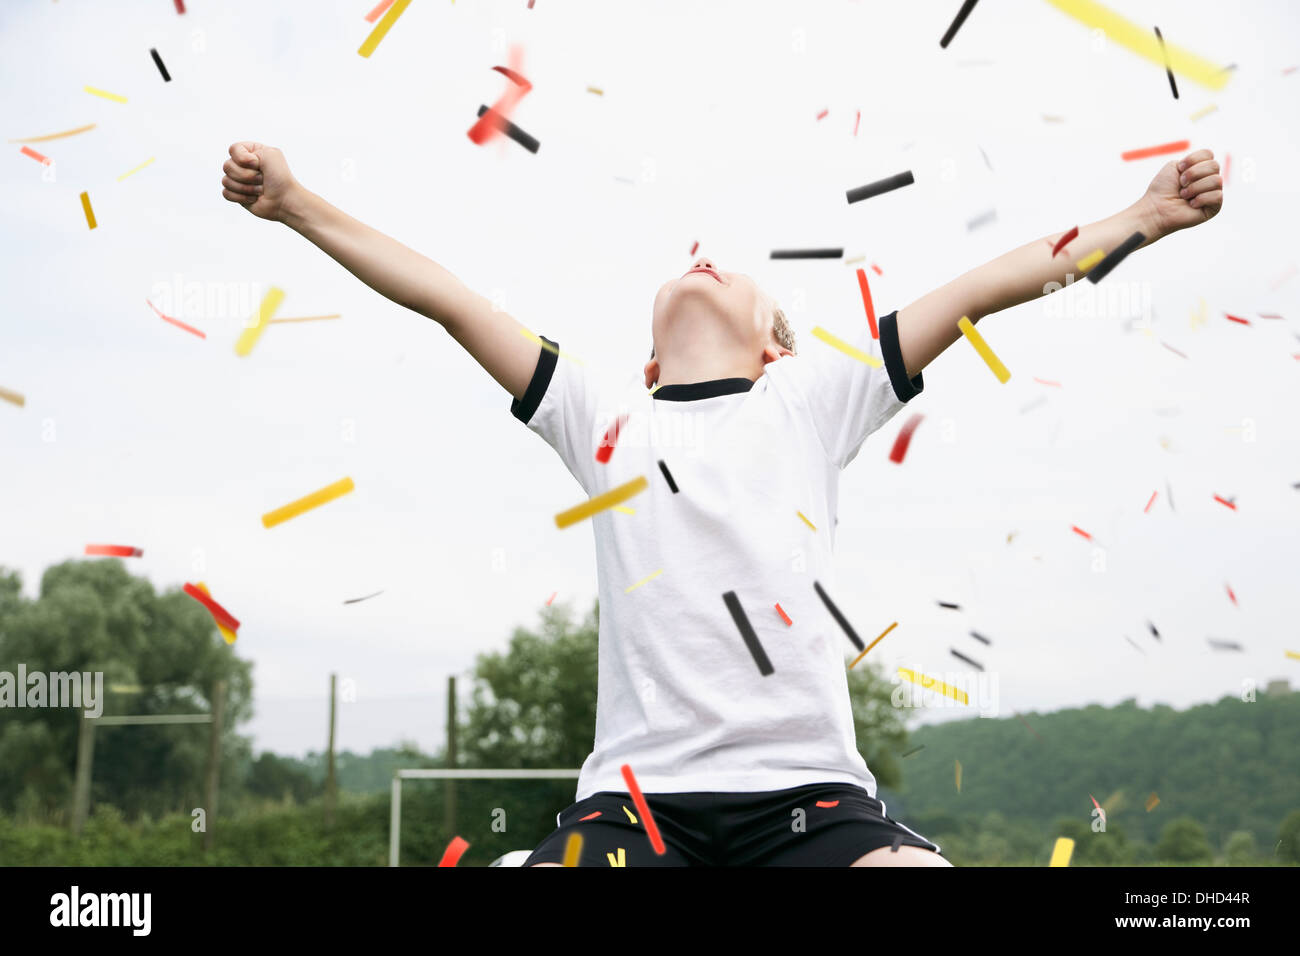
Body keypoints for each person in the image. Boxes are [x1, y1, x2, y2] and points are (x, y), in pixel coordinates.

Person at [221, 141, 1221, 866]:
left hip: (808, 799)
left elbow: (981, 288)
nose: (702, 257)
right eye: (687, 263)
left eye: (727, 269)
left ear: (772, 344)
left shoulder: (812, 397)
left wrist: (1141, 216)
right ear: (649, 361)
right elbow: (448, 297)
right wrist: (297, 202)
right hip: (633, 805)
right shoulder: (602, 413)